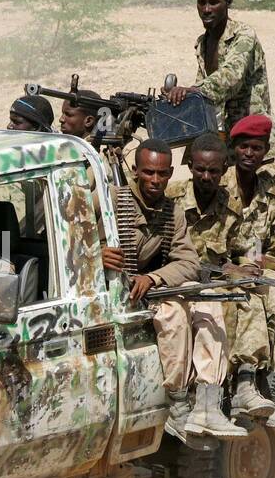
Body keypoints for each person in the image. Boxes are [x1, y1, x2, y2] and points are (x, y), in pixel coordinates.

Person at [100, 138, 243, 440]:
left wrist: (153, 278)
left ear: (171, 173)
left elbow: (189, 262)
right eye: (148, 173)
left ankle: (208, 402)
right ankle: (179, 404)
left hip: (147, 291)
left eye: (162, 174)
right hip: (111, 297)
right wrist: (94, 253)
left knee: (208, 296)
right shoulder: (112, 201)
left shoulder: (171, 212)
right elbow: (68, 241)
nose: (155, 180)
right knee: (174, 313)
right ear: (136, 171)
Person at [219, 114, 275, 429]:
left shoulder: (267, 187)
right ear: (234, 148)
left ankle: (274, 383)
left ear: (265, 149)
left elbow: (273, 234)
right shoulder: (220, 182)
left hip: (252, 265)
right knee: (249, 293)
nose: (249, 154)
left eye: (256, 148)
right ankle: (245, 382)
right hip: (219, 265)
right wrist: (241, 263)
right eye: (243, 147)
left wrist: (269, 262)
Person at [165, 0, 275, 161]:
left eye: (214, 3)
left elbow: (232, 76)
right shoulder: (202, 43)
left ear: (228, 2)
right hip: (220, 146)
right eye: (202, 3)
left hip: (251, 145)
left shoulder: (244, 36)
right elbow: (205, 100)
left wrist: (192, 91)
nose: (206, 9)